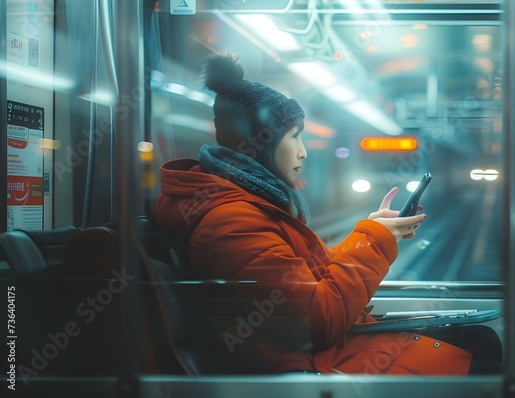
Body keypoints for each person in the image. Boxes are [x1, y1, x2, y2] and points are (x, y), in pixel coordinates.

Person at [155, 55, 472, 375]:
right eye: (294, 135)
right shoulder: (230, 223)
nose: (303, 151)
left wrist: (373, 231)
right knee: (480, 362)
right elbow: (320, 320)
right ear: (258, 143)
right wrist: (374, 242)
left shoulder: (248, 208)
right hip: (316, 369)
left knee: (478, 347)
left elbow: (304, 285)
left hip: (328, 357)